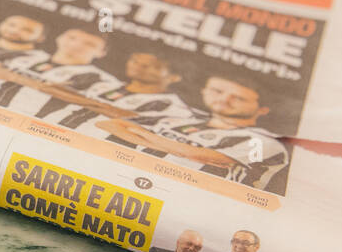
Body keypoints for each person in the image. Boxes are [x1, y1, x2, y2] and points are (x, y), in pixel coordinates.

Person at [94, 75, 291, 193]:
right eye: (217, 91)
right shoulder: (182, 116)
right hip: (131, 181)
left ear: (263, 109)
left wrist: (145, 136)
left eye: (238, 98)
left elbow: (199, 155)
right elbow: (108, 123)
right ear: (204, 91)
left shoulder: (265, 141)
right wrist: (177, 148)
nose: (224, 99)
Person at [47, 52, 191, 131]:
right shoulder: (105, 83)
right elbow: (48, 88)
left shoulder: (176, 108)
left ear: (174, 77)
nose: (139, 66)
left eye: (152, 66)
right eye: (135, 60)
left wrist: (79, 99)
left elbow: (132, 120)